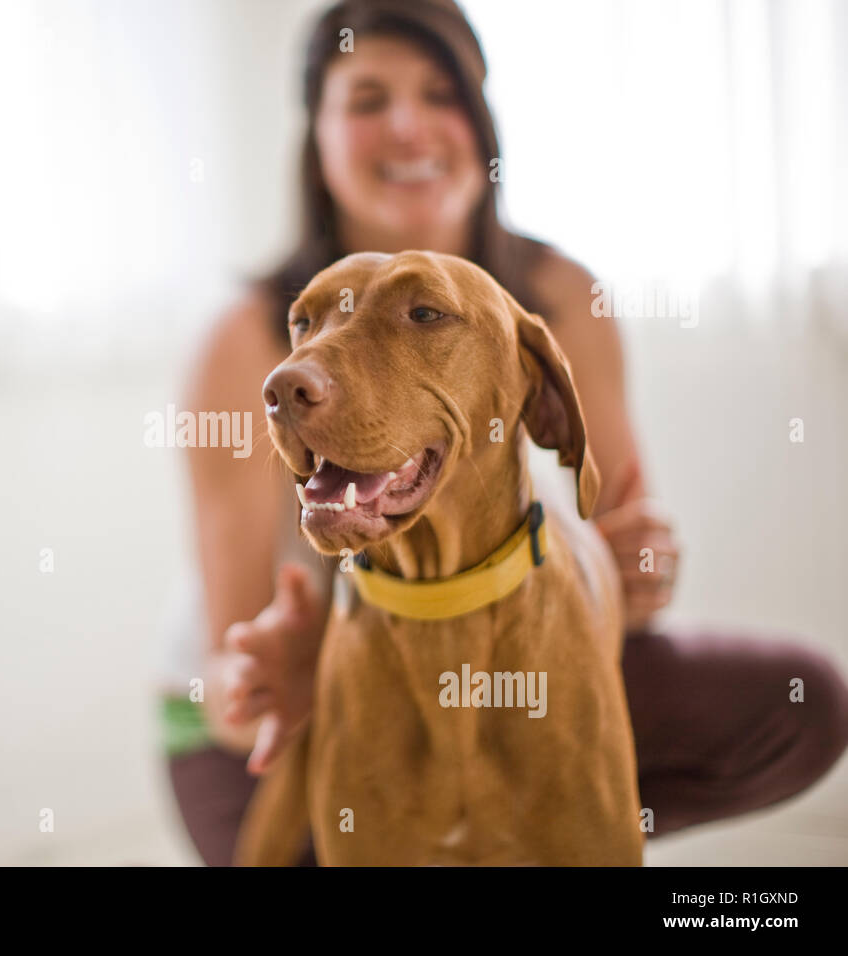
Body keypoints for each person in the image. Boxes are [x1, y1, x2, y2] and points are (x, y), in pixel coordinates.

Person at [158, 0, 848, 867]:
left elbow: (620, 531)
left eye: (438, 92)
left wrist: (635, 567)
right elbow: (229, 672)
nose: (406, 124)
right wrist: (271, 683)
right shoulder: (246, 335)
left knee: (800, 703)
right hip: (262, 720)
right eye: (367, 99)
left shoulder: (557, 299)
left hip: (516, 636)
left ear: (480, 124)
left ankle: (516, 828)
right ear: (318, 138)